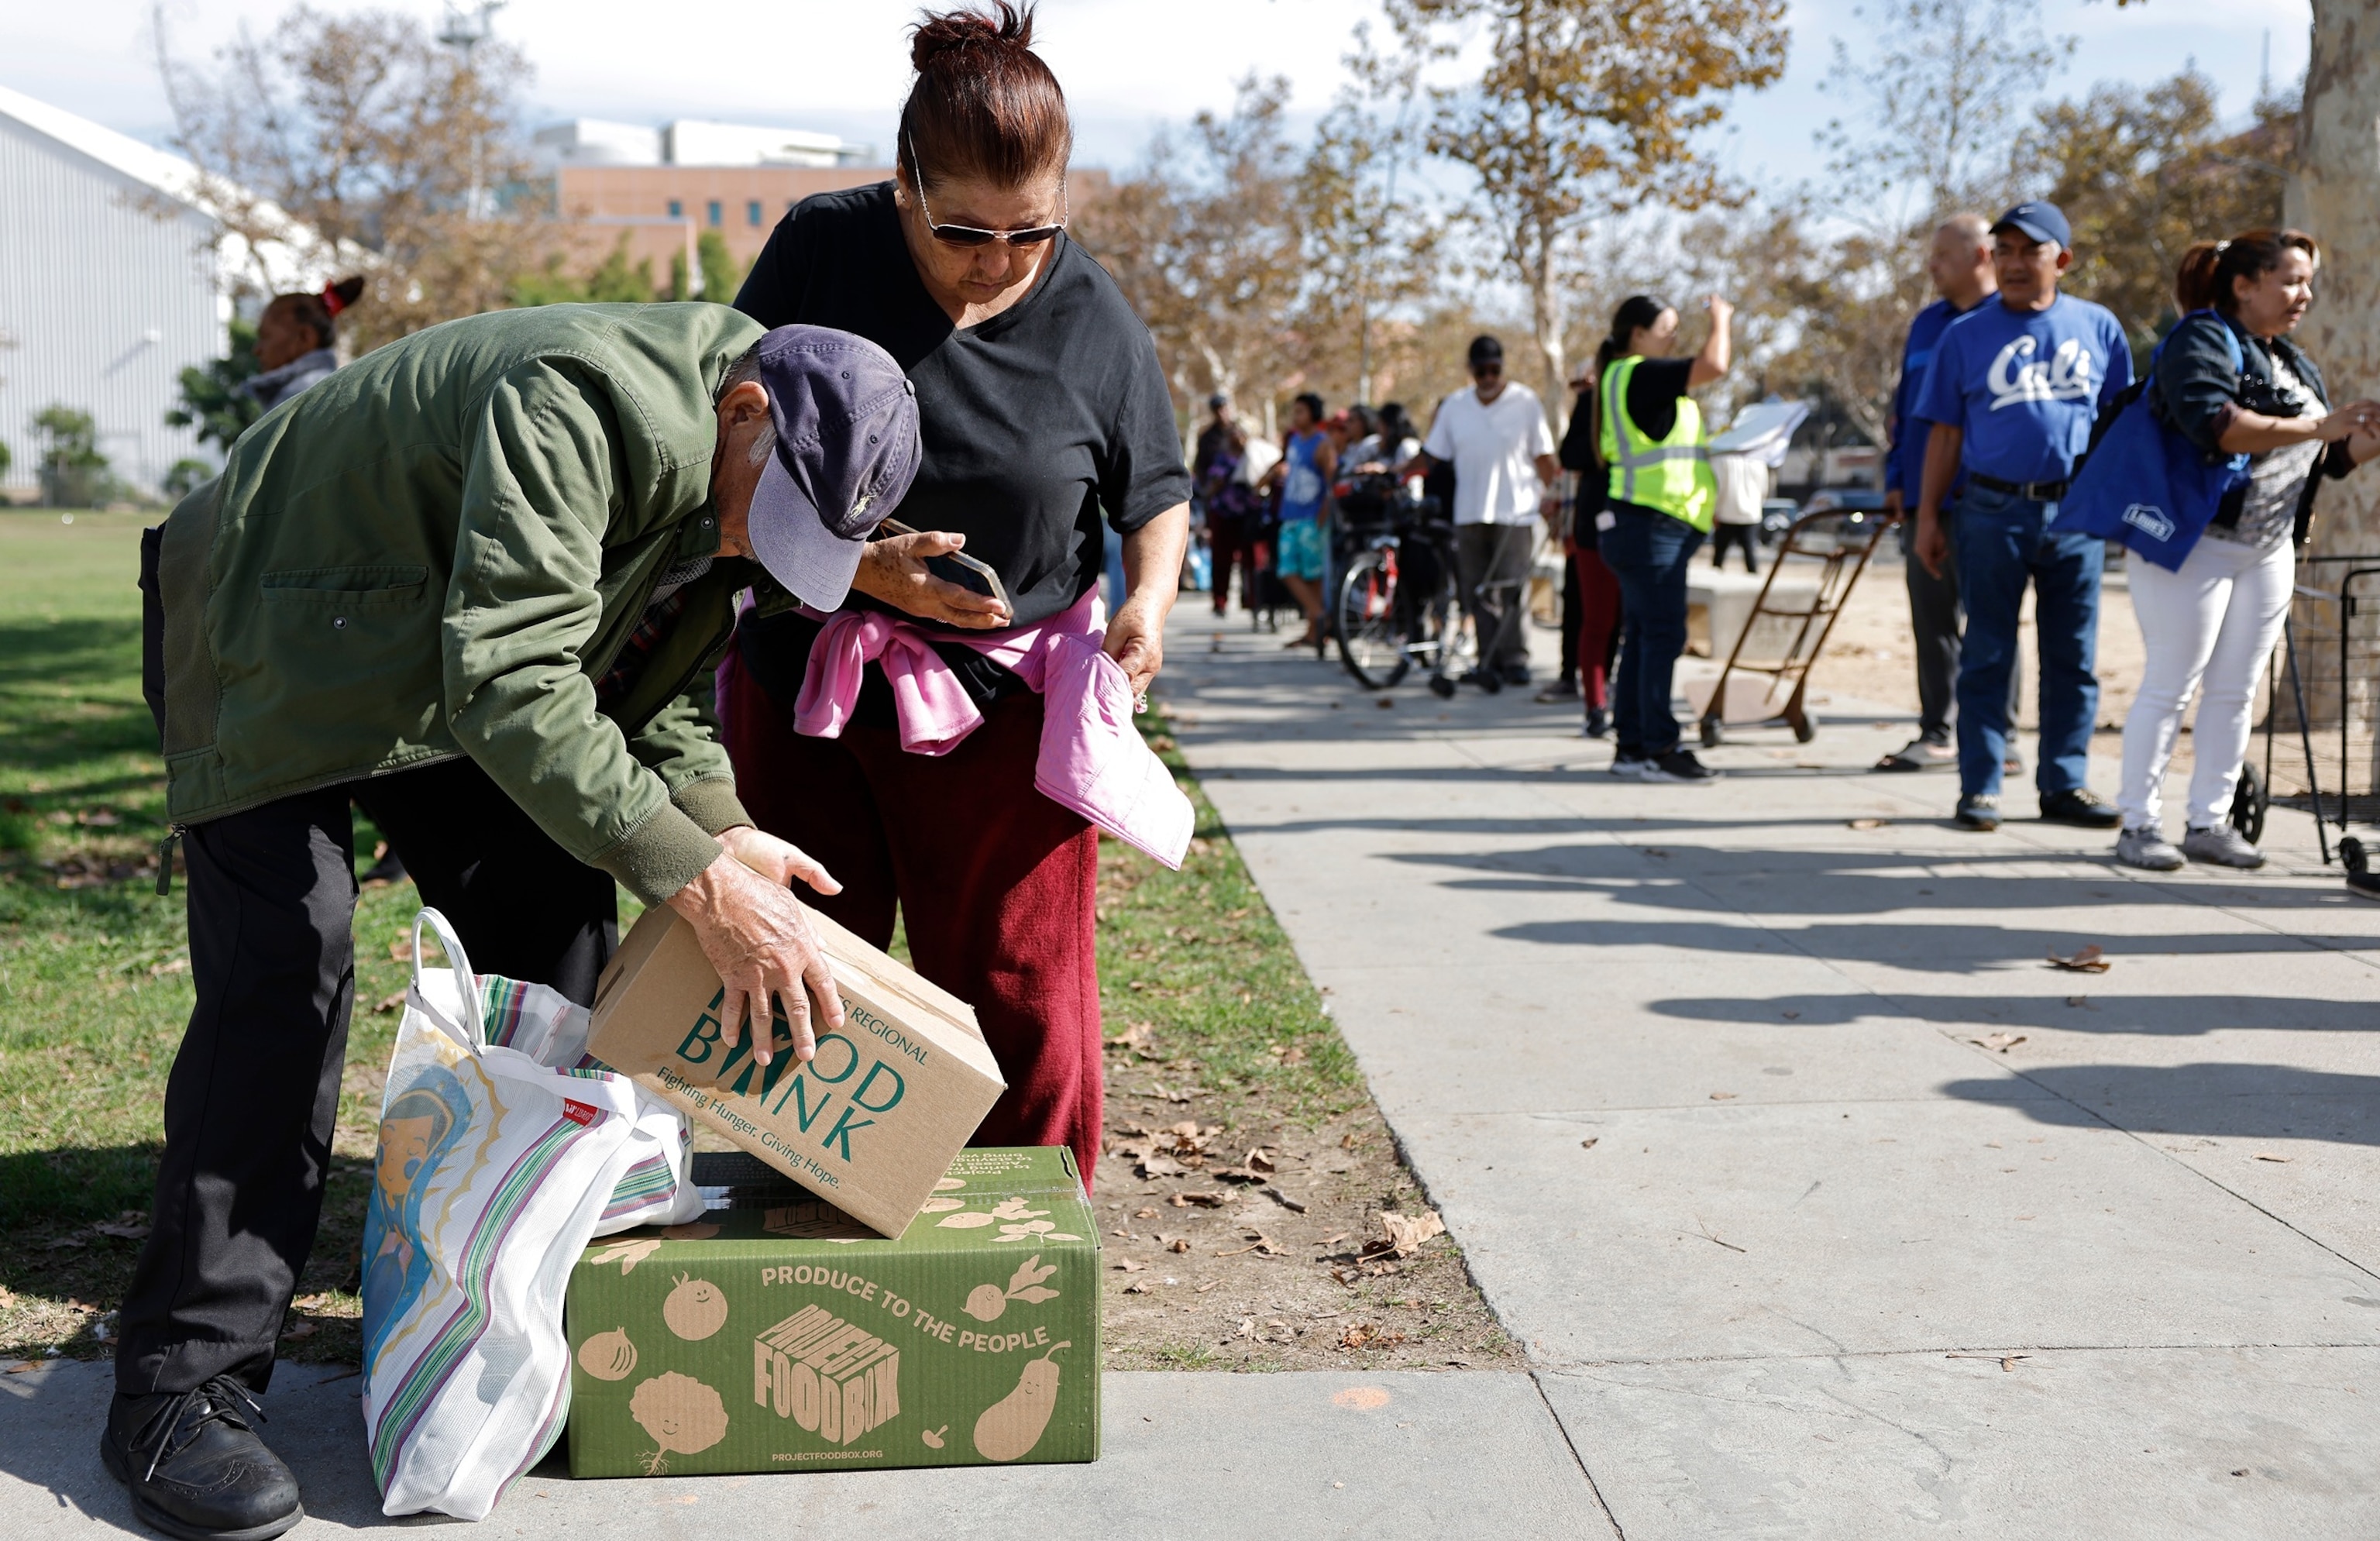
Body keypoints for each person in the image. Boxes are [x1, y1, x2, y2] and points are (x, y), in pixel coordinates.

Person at [112, 307, 911, 1539]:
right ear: (742, 412)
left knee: (552, 921)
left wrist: (724, 829)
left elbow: (655, 696)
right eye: (772, 514)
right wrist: (697, 886)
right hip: (271, 618)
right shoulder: (581, 401)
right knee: (291, 967)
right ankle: (182, 1383)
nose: (760, 545)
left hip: (422, 647)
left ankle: (513, 1300)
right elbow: (512, 680)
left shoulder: (735, 466)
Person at [721, 2, 1193, 1187]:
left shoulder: (1091, 313)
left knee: (1015, 984)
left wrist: (1148, 607)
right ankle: (808, 1214)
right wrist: (862, 566)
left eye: (1031, 231)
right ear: (901, 182)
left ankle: (1024, 1251)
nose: (996, 261)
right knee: (804, 964)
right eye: (962, 230)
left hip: (1009, 713)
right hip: (807, 687)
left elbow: (1159, 493)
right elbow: (727, 435)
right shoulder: (819, 250)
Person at [2113, 230, 2380, 871]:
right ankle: (2137, 825)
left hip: (2266, 548)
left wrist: (2359, 436)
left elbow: (2329, 461)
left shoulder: (2289, 358)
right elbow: (2218, 425)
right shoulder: (2202, 339)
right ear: (2244, 284)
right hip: (2191, 542)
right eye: (2291, 280)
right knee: (2171, 684)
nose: (2304, 295)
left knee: (2236, 691)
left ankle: (2209, 820)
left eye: (2307, 281)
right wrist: (2321, 424)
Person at [1913, 201, 2131, 832]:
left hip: (2076, 513)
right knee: (1987, 652)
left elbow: (2120, 427)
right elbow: (1944, 436)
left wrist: (2117, 512)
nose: (2011, 263)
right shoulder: (1964, 336)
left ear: (2060, 260)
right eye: (2002, 250)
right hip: (1988, 510)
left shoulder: (2099, 327)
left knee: (2074, 657)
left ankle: (2064, 782)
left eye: (2027, 251)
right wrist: (1929, 518)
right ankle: (1979, 786)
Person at [1876, 215, 2001, 773]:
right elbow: (1904, 413)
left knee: (1991, 622)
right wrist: (1896, 481)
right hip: (1927, 505)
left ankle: (1997, 736)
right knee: (1933, 620)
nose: (1932, 266)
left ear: (1981, 255)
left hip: (1988, 501)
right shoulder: (1927, 325)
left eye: (1943, 256)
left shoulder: (2008, 323)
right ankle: (1938, 730)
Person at [1593, 294, 1732, 780]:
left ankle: (1633, 747)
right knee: (1662, 635)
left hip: (1647, 526)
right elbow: (1715, 364)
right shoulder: (1640, 372)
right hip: (1650, 527)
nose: (1675, 339)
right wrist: (1722, 319)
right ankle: (1659, 746)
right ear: (1638, 333)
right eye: (1668, 329)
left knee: (1645, 637)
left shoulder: (1624, 376)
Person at [1407, 335, 1559, 689]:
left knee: (1511, 588)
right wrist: (1396, 473)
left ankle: (1515, 659)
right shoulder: (1455, 406)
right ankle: (1487, 660)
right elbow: (1432, 454)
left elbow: (1544, 457)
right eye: (1481, 371)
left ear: (1502, 368)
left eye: (1495, 370)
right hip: (1470, 512)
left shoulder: (1525, 401)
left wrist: (1554, 499)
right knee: (1476, 591)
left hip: (1516, 513)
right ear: (1470, 370)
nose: (1488, 377)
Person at [1556, 376, 1625, 733]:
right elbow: (1569, 457)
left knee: (1634, 624)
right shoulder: (1592, 402)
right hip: (1593, 525)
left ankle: (1629, 704)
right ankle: (1595, 706)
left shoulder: (1655, 391)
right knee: (1595, 620)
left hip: (1644, 524)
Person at [1263, 391, 1335, 646]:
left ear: (1313, 413)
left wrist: (1323, 515)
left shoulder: (1323, 443)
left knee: (1313, 575)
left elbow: (1331, 482)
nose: (1296, 416)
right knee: (1288, 570)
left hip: (1312, 518)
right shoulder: (1294, 442)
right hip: (1290, 516)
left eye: (1300, 411)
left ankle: (1315, 632)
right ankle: (1319, 615)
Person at [236, 277, 364, 412]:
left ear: (305, 337)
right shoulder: (323, 391)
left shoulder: (299, 398)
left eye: (265, 336)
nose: (257, 350)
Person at [1193, 394, 1256, 617]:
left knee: (1251, 558)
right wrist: (1207, 495)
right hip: (1221, 508)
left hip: (1248, 509)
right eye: (1217, 408)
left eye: (1224, 407)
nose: (1222, 412)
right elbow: (1202, 471)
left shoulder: (1250, 447)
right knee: (1221, 558)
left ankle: (1252, 599)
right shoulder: (1209, 439)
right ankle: (1220, 601)